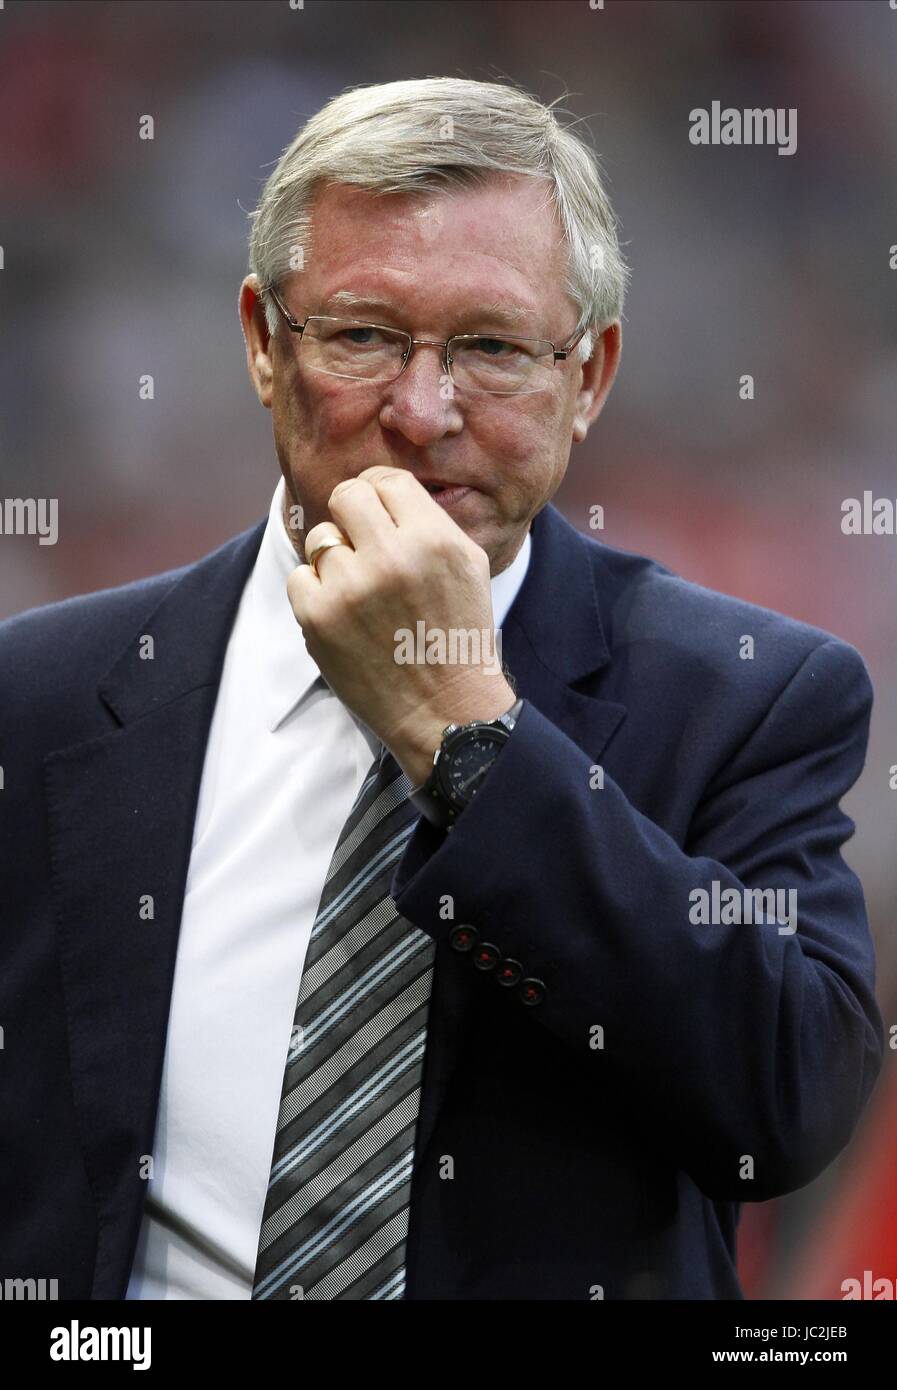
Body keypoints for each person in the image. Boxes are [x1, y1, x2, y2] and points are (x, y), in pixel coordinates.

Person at [0, 77, 883, 1302]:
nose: (423, 411)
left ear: (590, 377)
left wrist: (470, 735)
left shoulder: (754, 696)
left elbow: (785, 1105)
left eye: (493, 347)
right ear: (263, 342)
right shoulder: (39, 693)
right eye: (361, 335)